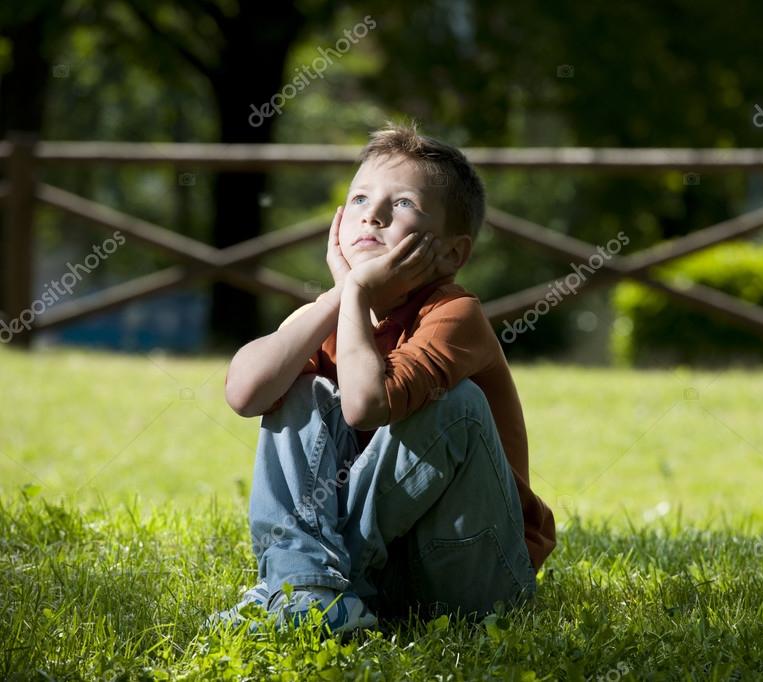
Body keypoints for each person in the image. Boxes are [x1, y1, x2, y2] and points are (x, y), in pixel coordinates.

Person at [208, 122, 556, 635]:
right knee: (297, 390)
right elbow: (244, 393)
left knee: (456, 403)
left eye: (403, 204)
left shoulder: (454, 314)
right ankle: (310, 592)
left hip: (474, 577)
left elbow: (366, 406)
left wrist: (355, 294)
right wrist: (339, 297)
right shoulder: (331, 315)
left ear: (452, 253)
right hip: (381, 578)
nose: (372, 213)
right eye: (360, 198)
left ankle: (306, 583)